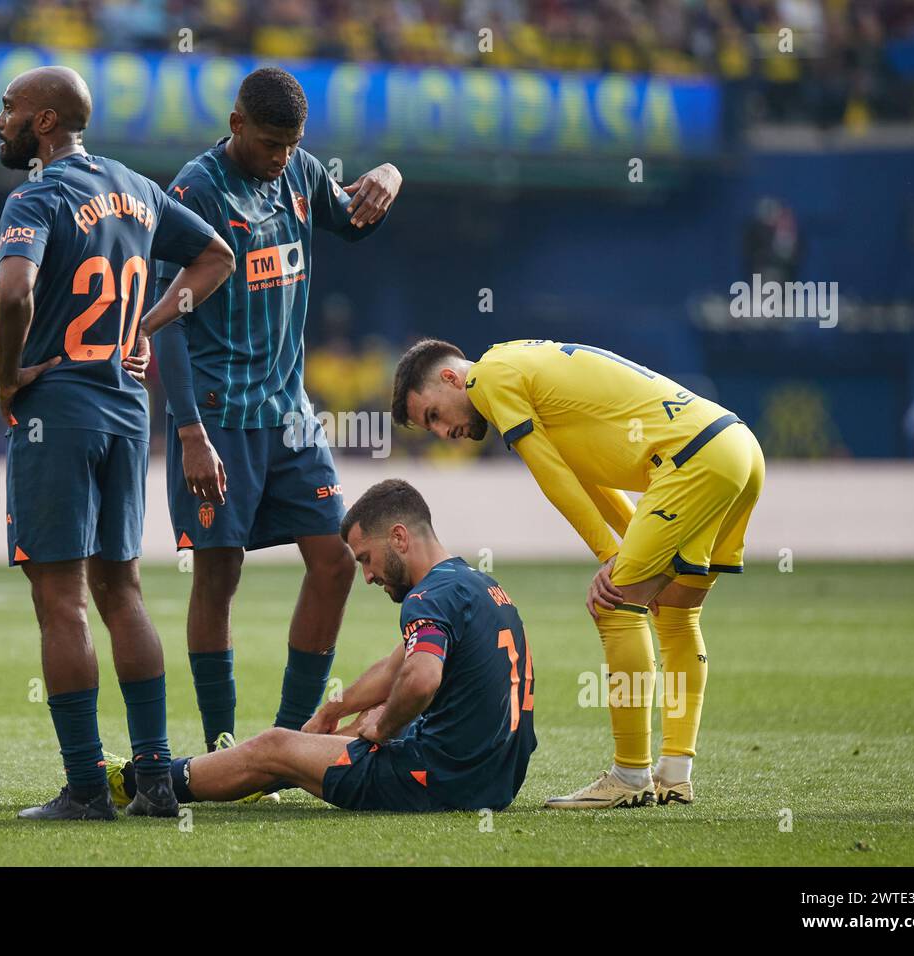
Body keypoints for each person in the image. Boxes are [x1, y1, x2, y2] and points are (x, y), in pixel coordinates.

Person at [0, 66, 234, 819]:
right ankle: (158, 781)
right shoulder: (137, 186)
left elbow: (14, 292)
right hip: (128, 408)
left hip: (57, 406)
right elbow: (217, 256)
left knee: (60, 602)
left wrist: (7, 376)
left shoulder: (35, 195)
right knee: (121, 589)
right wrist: (145, 327)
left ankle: (88, 788)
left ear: (44, 122)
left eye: (9, 109)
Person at [391, 338, 765, 808]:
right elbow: (588, 474)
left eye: (434, 416)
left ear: (450, 378)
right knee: (674, 613)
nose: (444, 431)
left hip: (694, 459)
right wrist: (629, 551)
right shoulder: (522, 364)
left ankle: (630, 775)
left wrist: (611, 556)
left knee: (614, 606)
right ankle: (675, 774)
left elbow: (551, 474)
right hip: (736, 447)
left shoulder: (487, 377)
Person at [152, 67, 403, 754]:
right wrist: (189, 433)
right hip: (218, 415)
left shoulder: (299, 173)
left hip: (289, 413)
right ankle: (224, 745)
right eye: (269, 143)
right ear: (236, 126)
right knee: (219, 572)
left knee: (335, 561)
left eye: (292, 144)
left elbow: (350, 217)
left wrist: (386, 176)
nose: (281, 158)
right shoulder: (195, 191)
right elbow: (167, 320)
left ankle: (289, 736)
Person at [105, 479, 537, 812]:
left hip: (440, 781)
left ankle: (150, 781)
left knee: (275, 744)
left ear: (400, 538)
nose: (367, 576)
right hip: (496, 780)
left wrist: (384, 726)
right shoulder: (480, 586)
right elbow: (396, 669)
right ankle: (268, 769)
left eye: (366, 558)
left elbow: (421, 680)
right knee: (356, 723)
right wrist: (332, 712)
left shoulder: (426, 599)